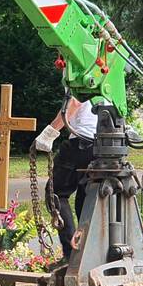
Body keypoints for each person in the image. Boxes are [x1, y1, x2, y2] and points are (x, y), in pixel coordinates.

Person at [34, 95, 98, 260]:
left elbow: (75, 101)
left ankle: (71, 255)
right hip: (101, 146)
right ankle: (86, 253)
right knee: (86, 200)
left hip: (80, 142)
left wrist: (50, 131)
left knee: (55, 193)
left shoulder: (77, 69)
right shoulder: (107, 73)